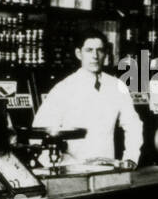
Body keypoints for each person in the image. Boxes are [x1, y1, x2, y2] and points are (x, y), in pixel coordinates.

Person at [33, 28, 143, 167]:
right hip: (73, 172)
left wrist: (131, 158)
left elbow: (133, 124)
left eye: (100, 50)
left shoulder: (116, 86)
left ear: (106, 53)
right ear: (79, 54)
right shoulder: (64, 88)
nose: (95, 56)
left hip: (107, 169)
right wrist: (61, 165)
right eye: (89, 50)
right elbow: (38, 134)